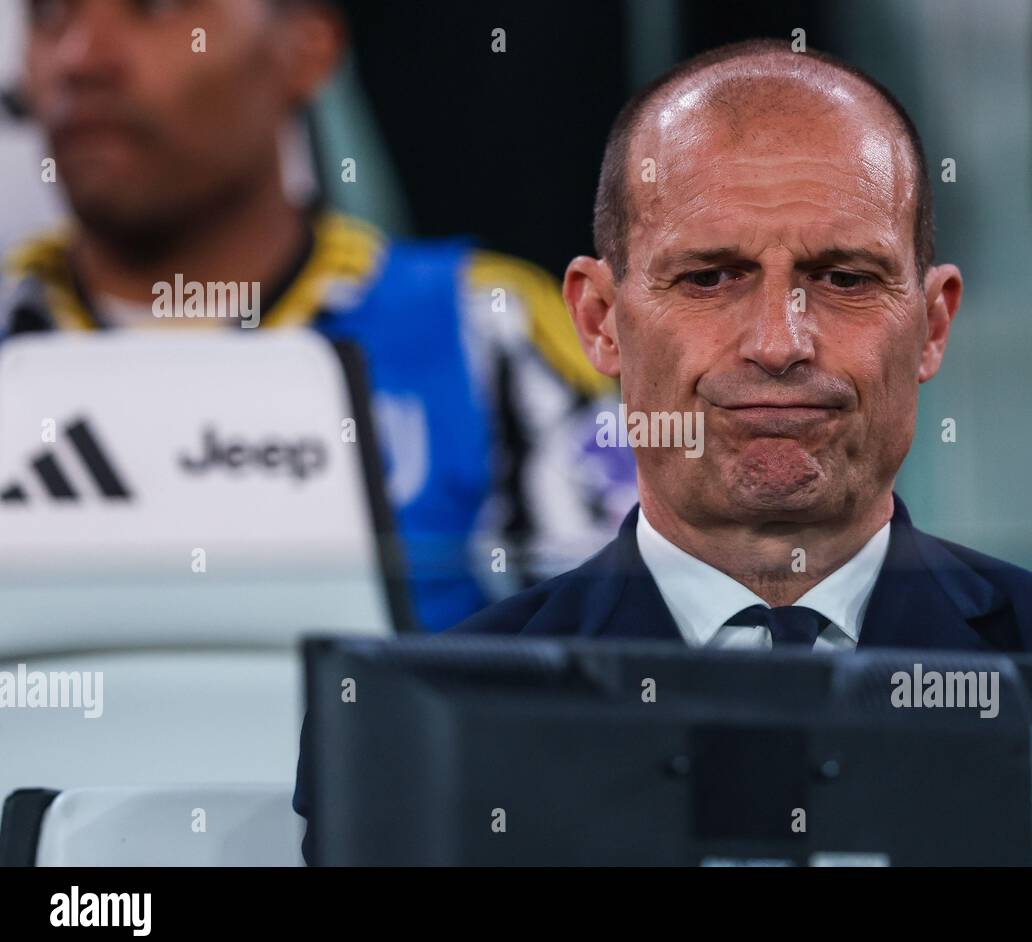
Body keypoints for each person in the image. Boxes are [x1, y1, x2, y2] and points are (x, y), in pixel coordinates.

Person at [425, 39, 1032, 866]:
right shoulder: (433, 719)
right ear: (599, 321)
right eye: (709, 277)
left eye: (844, 279)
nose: (777, 341)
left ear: (934, 323)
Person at [0, 0, 635, 629]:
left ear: (308, 47)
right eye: (50, 14)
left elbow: (632, 670)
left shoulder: (489, 334)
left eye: (158, 8)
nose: (82, 56)